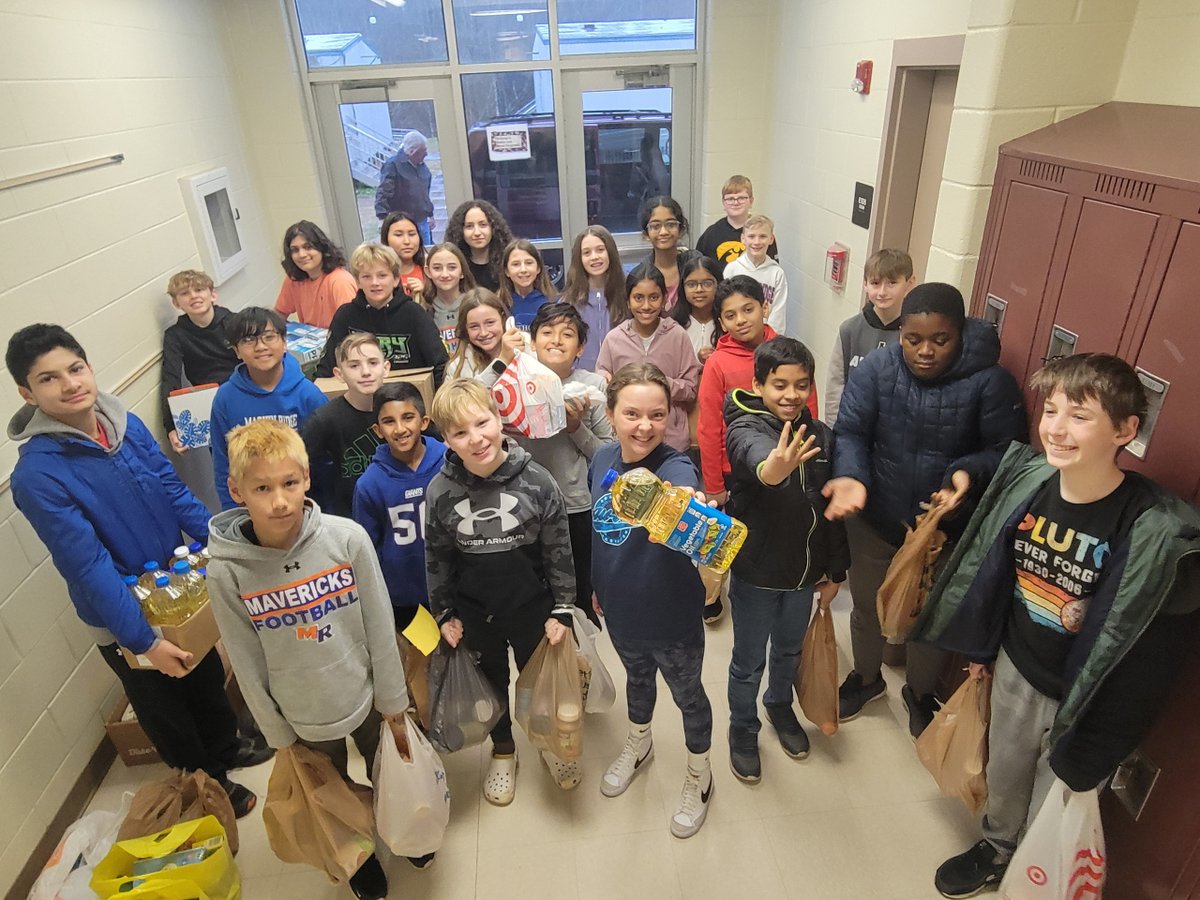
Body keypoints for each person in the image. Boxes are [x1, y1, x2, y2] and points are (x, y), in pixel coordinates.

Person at [912, 353, 1200, 898]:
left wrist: (1106, 735)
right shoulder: (1034, 483)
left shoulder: (1149, 528)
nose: (1056, 428)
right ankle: (997, 845)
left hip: (1081, 696)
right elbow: (996, 575)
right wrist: (983, 652)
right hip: (1018, 666)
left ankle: (1032, 865)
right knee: (1005, 771)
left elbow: (1143, 651)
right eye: (1051, 410)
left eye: (1080, 416)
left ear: (1126, 431)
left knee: (1056, 793)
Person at [6, 324, 262, 817]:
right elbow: (87, 565)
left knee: (205, 675)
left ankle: (226, 751)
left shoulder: (124, 426)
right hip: (125, 615)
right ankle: (204, 784)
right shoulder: (37, 475)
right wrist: (143, 641)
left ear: (89, 367)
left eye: (75, 368)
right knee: (166, 706)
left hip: (178, 587)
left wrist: (229, 546)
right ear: (27, 393)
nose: (70, 384)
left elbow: (174, 493)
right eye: (49, 378)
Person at [206, 419, 418, 900]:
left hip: (367, 693)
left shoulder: (347, 540)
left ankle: (405, 831)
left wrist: (393, 698)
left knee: (390, 768)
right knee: (331, 792)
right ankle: (359, 858)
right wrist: (276, 733)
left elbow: (379, 625)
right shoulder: (226, 573)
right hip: (301, 713)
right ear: (237, 491)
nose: (279, 501)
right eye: (262, 488)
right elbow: (245, 659)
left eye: (289, 483)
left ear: (306, 479)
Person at [824, 283, 1028, 737]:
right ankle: (866, 677)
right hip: (876, 518)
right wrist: (853, 476)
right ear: (900, 333)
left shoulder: (990, 382)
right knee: (867, 606)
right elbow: (851, 431)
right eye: (913, 339)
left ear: (960, 334)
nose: (925, 352)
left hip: (945, 528)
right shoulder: (877, 369)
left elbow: (1008, 450)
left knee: (932, 617)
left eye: (941, 340)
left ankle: (919, 692)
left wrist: (966, 475)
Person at [425, 379, 578, 803]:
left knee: (540, 683)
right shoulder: (440, 491)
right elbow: (436, 556)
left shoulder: (539, 481)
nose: (476, 439)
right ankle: (504, 748)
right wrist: (443, 613)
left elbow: (559, 548)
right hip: (475, 613)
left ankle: (548, 742)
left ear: (498, 418)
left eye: (482, 423)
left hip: (534, 608)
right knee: (491, 687)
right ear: (445, 439)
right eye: (460, 432)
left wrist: (564, 607)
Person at [590, 363, 714, 839]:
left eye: (657, 415)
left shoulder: (674, 465)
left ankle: (700, 774)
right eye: (632, 414)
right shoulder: (602, 459)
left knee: (688, 696)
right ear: (610, 413)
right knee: (637, 683)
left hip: (672, 615)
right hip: (620, 611)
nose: (645, 426)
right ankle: (639, 743)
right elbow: (601, 533)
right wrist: (599, 586)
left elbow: (685, 491)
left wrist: (688, 501)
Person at [722, 337, 849, 782]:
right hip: (757, 573)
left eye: (801, 385)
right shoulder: (745, 427)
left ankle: (779, 705)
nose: (791, 394)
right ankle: (742, 727)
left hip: (804, 575)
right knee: (748, 661)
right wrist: (775, 466)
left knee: (789, 651)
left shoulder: (820, 435)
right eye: (779, 385)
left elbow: (831, 511)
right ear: (758, 385)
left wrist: (835, 572)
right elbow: (759, 461)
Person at [352, 381, 447, 726]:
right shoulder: (370, 484)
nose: (400, 428)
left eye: (408, 417)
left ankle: (459, 714)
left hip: (452, 587)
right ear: (378, 430)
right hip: (406, 598)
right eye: (389, 421)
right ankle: (429, 726)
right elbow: (366, 550)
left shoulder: (449, 461)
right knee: (422, 658)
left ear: (424, 421)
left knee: (458, 654)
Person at [515, 302, 615, 627]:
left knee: (579, 595)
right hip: (526, 506)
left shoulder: (593, 386)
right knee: (535, 596)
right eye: (547, 332)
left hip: (576, 505)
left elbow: (607, 453)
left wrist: (575, 427)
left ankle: (581, 654)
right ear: (533, 342)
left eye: (567, 334)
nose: (556, 340)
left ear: (580, 347)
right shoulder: (515, 384)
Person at [211, 307, 328, 510]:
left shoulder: (309, 395)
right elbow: (223, 464)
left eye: (269, 337)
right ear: (237, 351)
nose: (261, 346)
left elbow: (326, 462)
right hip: (252, 508)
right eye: (249, 340)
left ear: (284, 343)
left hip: (306, 505)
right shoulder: (225, 399)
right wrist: (233, 513)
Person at [596, 263, 701, 454]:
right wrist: (606, 380)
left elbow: (691, 388)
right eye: (638, 298)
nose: (646, 306)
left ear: (664, 300)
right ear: (628, 301)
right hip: (629, 440)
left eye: (653, 297)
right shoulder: (614, 338)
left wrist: (658, 384)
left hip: (672, 441)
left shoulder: (677, 335)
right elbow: (602, 382)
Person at [315, 243, 448, 385]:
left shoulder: (414, 314)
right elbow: (326, 369)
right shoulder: (345, 316)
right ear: (358, 281)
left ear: (396, 279)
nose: (375, 283)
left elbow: (441, 364)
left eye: (382, 275)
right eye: (366, 276)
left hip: (411, 393)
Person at [824, 248, 916, 428]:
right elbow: (836, 384)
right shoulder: (849, 329)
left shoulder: (914, 334)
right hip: (852, 427)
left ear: (909, 283)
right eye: (875, 283)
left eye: (892, 283)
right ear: (865, 284)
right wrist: (833, 429)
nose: (882, 292)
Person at [301, 333, 389, 517]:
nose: (365, 372)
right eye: (354, 365)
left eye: (373, 363)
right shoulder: (324, 419)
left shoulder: (402, 409)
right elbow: (294, 462)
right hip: (350, 517)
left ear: (386, 368)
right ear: (339, 374)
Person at [159, 269, 239, 455]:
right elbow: (170, 379)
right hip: (210, 406)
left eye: (199, 289)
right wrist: (171, 427)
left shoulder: (235, 322)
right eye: (184, 293)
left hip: (243, 392)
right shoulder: (175, 336)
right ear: (176, 303)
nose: (193, 296)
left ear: (213, 295)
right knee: (226, 461)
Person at [560, 225, 626, 372]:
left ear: (610, 252)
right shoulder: (568, 302)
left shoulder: (627, 295)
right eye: (587, 252)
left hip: (623, 378)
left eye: (600, 250)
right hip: (581, 379)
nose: (594, 257)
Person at [274, 221, 357, 329]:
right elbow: (279, 314)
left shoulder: (340, 281)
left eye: (308, 247)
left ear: (322, 248)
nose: (302, 255)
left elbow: (353, 328)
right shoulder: (293, 280)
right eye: (295, 250)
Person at [695, 175, 778, 276]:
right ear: (723, 203)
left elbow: (771, 270)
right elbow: (698, 268)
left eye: (742, 198)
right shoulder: (711, 234)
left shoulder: (762, 234)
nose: (736, 203)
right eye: (730, 199)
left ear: (751, 201)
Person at [444, 288, 526, 385]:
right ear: (465, 329)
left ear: (503, 318)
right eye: (474, 326)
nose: (483, 333)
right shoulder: (457, 367)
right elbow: (473, 394)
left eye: (490, 323)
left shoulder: (525, 344)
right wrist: (503, 361)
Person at [724, 215, 789, 335]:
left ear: (771, 239)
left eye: (763, 236)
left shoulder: (777, 273)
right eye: (751, 236)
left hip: (766, 338)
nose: (757, 242)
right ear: (743, 239)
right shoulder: (732, 269)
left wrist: (770, 340)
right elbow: (725, 308)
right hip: (738, 334)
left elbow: (778, 315)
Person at [637, 195, 703, 311]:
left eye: (671, 224)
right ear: (646, 234)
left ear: (681, 229)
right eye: (655, 226)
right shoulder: (642, 273)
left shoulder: (695, 263)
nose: (663, 232)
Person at [374, 130, 434, 244]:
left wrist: (430, 215)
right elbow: (383, 192)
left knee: (426, 252)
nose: (426, 154)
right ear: (412, 151)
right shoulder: (393, 166)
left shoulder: (422, 166)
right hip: (403, 224)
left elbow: (424, 193)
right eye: (423, 151)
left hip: (423, 222)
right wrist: (382, 217)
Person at [445, 199, 514, 292]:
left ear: (494, 228)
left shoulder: (508, 261)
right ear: (460, 231)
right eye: (469, 226)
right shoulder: (454, 265)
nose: (477, 232)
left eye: (483, 225)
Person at [422, 242, 476, 353]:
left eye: (452, 268)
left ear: (462, 271)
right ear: (428, 272)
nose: (445, 274)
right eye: (437, 268)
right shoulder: (422, 309)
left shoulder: (475, 304)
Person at [669, 257, 721, 367]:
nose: (699, 290)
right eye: (691, 284)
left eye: (707, 283)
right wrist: (697, 361)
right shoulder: (674, 325)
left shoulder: (727, 323)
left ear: (718, 284)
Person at [497, 238, 557, 332]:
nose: (523, 270)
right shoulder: (498, 304)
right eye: (516, 264)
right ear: (507, 271)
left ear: (538, 268)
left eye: (529, 263)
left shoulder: (554, 302)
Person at [379, 210, 427, 299]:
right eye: (398, 235)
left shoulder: (430, 269)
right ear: (386, 238)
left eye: (412, 234)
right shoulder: (377, 275)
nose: (407, 241)